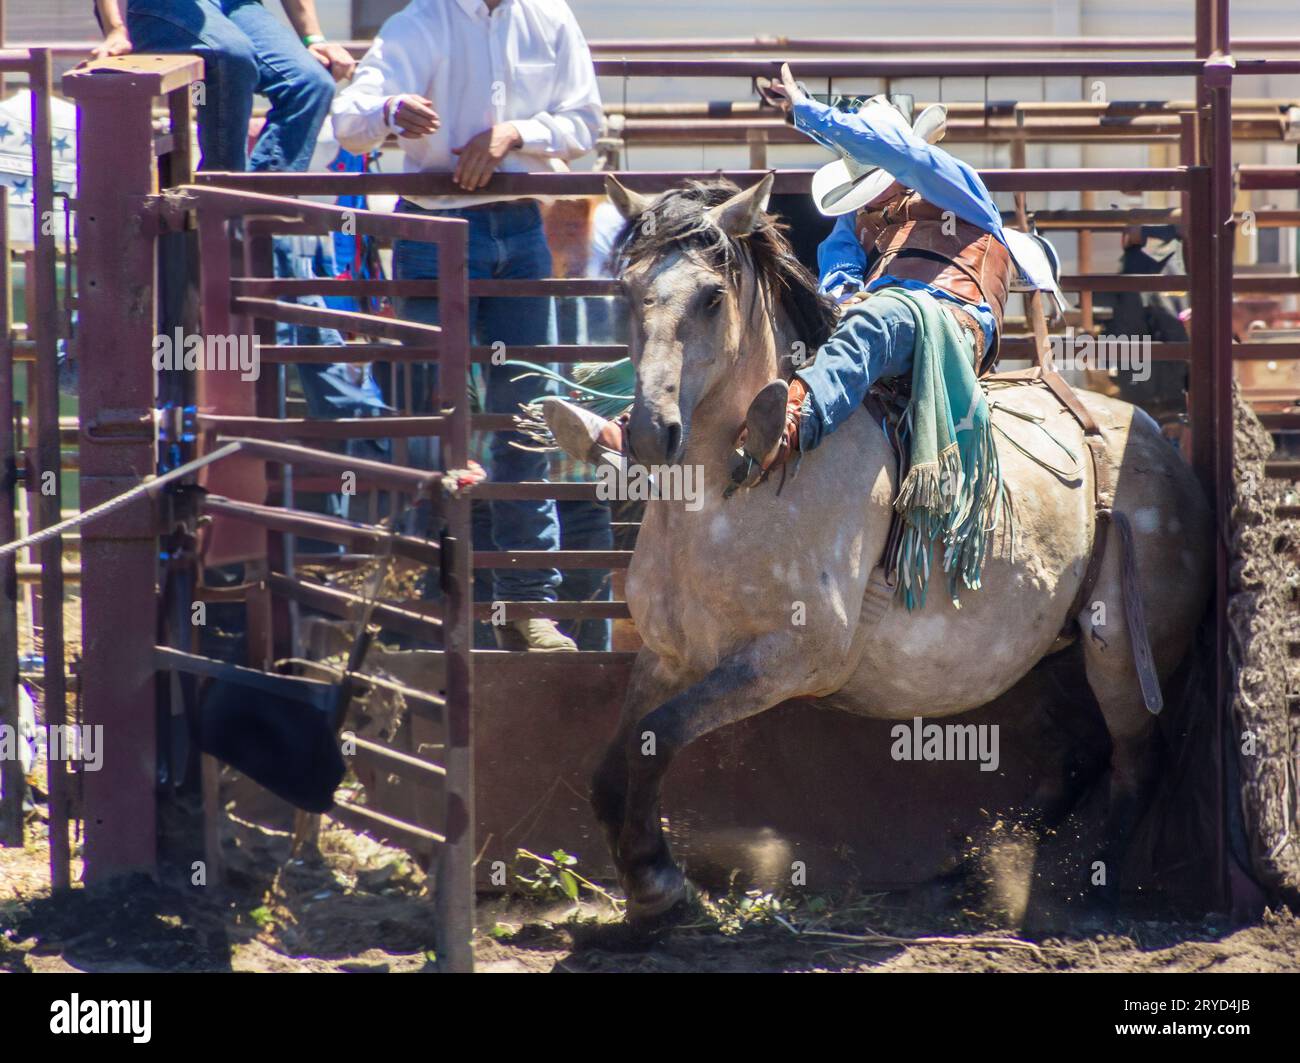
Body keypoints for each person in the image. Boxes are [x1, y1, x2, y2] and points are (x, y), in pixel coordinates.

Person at [544, 63, 1021, 485]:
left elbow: (905, 156)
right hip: (879, 319)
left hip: (950, 323)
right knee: (773, 334)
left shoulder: (955, 187)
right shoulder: (855, 222)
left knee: (880, 319)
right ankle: (634, 438)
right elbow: (839, 274)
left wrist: (807, 112)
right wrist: (844, 299)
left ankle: (789, 429)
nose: (867, 199)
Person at [332, 0, 603, 652]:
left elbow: (585, 121)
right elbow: (348, 122)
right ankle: (433, 601)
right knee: (438, 417)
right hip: (443, 226)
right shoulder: (421, 23)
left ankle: (516, 604)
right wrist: (392, 113)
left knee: (523, 417)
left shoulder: (543, 17)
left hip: (502, 222)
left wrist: (515, 134)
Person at [92, 0, 355, 174]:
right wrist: (115, 29)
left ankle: (262, 208)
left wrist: (314, 37)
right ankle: (222, 197)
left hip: (234, 5)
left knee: (310, 82)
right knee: (230, 56)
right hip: (160, 5)